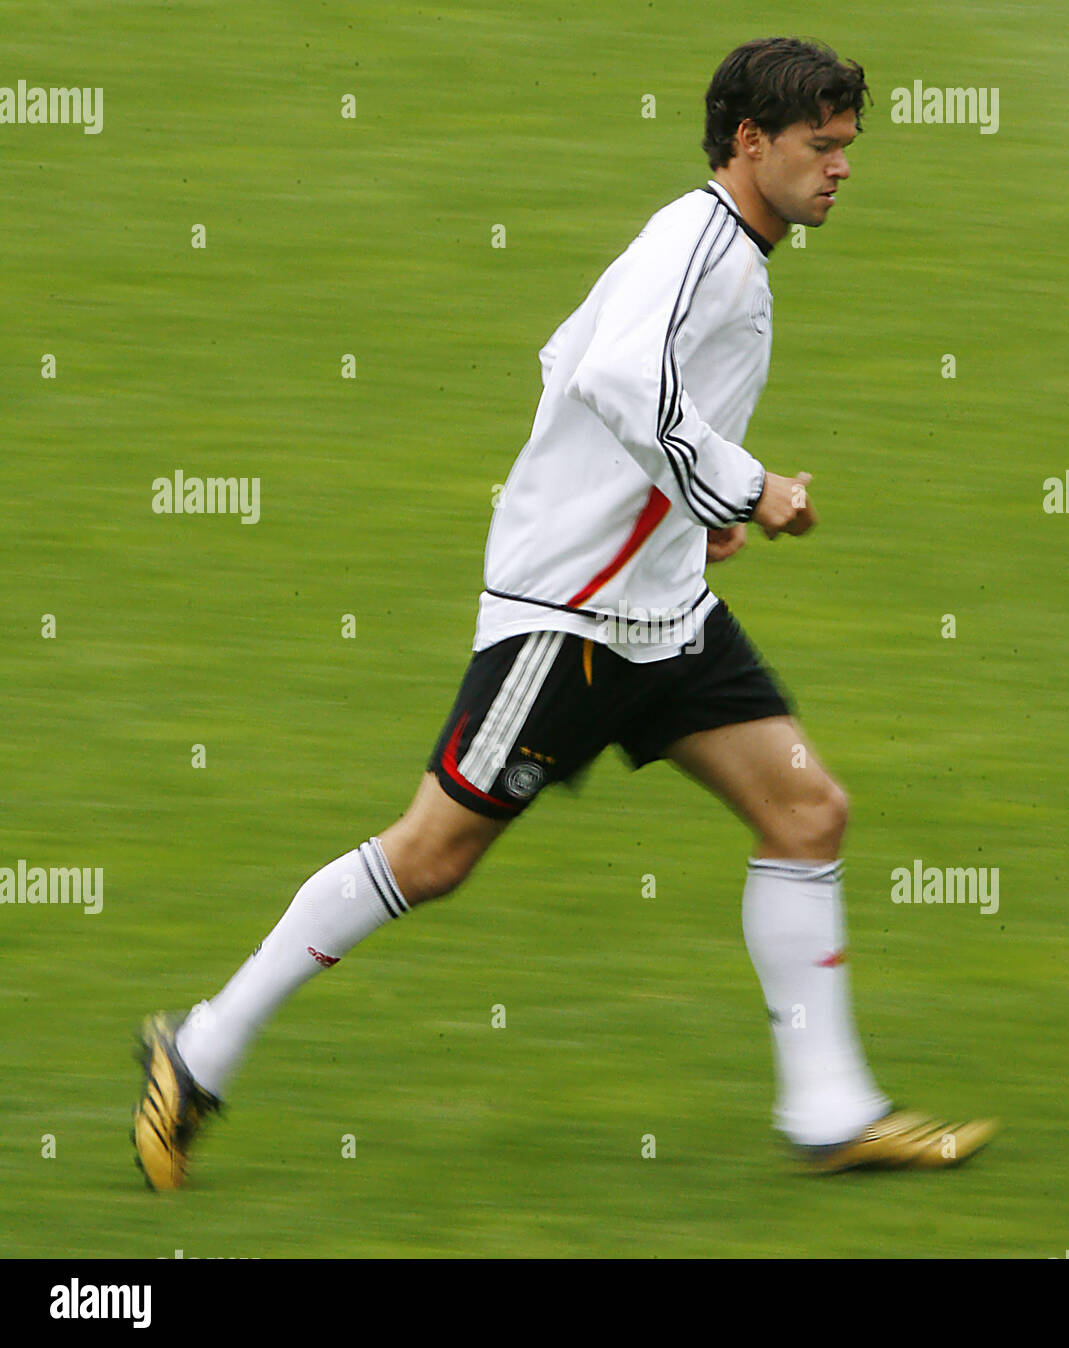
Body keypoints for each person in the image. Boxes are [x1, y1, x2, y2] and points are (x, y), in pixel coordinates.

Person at [133, 36, 995, 1190]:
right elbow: (616, 381)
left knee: (807, 812)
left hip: (668, 613)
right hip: (573, 624)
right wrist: (745, 486)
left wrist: (689, 504)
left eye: (847, 149)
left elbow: (567, 355)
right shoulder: (700, 245)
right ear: (750, 142)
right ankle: (198, 1050)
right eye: (820, 147)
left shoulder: (724, 248)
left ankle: (831, 1111)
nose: (841, 169)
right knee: (431, 856)